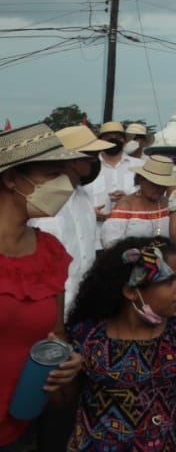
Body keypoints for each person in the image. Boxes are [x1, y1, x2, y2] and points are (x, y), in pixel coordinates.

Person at [65, 238, 176, 452]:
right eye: (169, 281)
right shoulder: (86, 336)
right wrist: (59, 367)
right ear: (132, 291)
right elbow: (64, 400)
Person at [0, 124, 86, 450]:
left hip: (20, 425)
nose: (64, 185)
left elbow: (55, 334)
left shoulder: (49, 253)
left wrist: (68, 361)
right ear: (11, 179)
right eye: (53, 174)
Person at [29, 125, 115, 315]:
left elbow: (88, 252)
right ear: (72, 161)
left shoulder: (84, 197)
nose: (96, 162)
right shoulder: (40, 200)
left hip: (82, 305)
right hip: (48, 307)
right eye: (91, 157)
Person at [98, 156, 176, 248]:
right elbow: (110, 242)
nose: (159, 189)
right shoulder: (125, 205)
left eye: (164, 185)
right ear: (141, 180)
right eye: (154, 184)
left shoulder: (168, 204)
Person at [84, 122, 139, 222]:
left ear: (125, 141)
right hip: (96, 230)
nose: (113, 141)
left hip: (130, 229)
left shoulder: (140, 166)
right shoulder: (87, 167)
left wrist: (128, 199)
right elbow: (78, 198)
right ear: (100, 141)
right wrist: (89, 212)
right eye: (108, 138)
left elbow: (148, 197)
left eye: (118, 137)